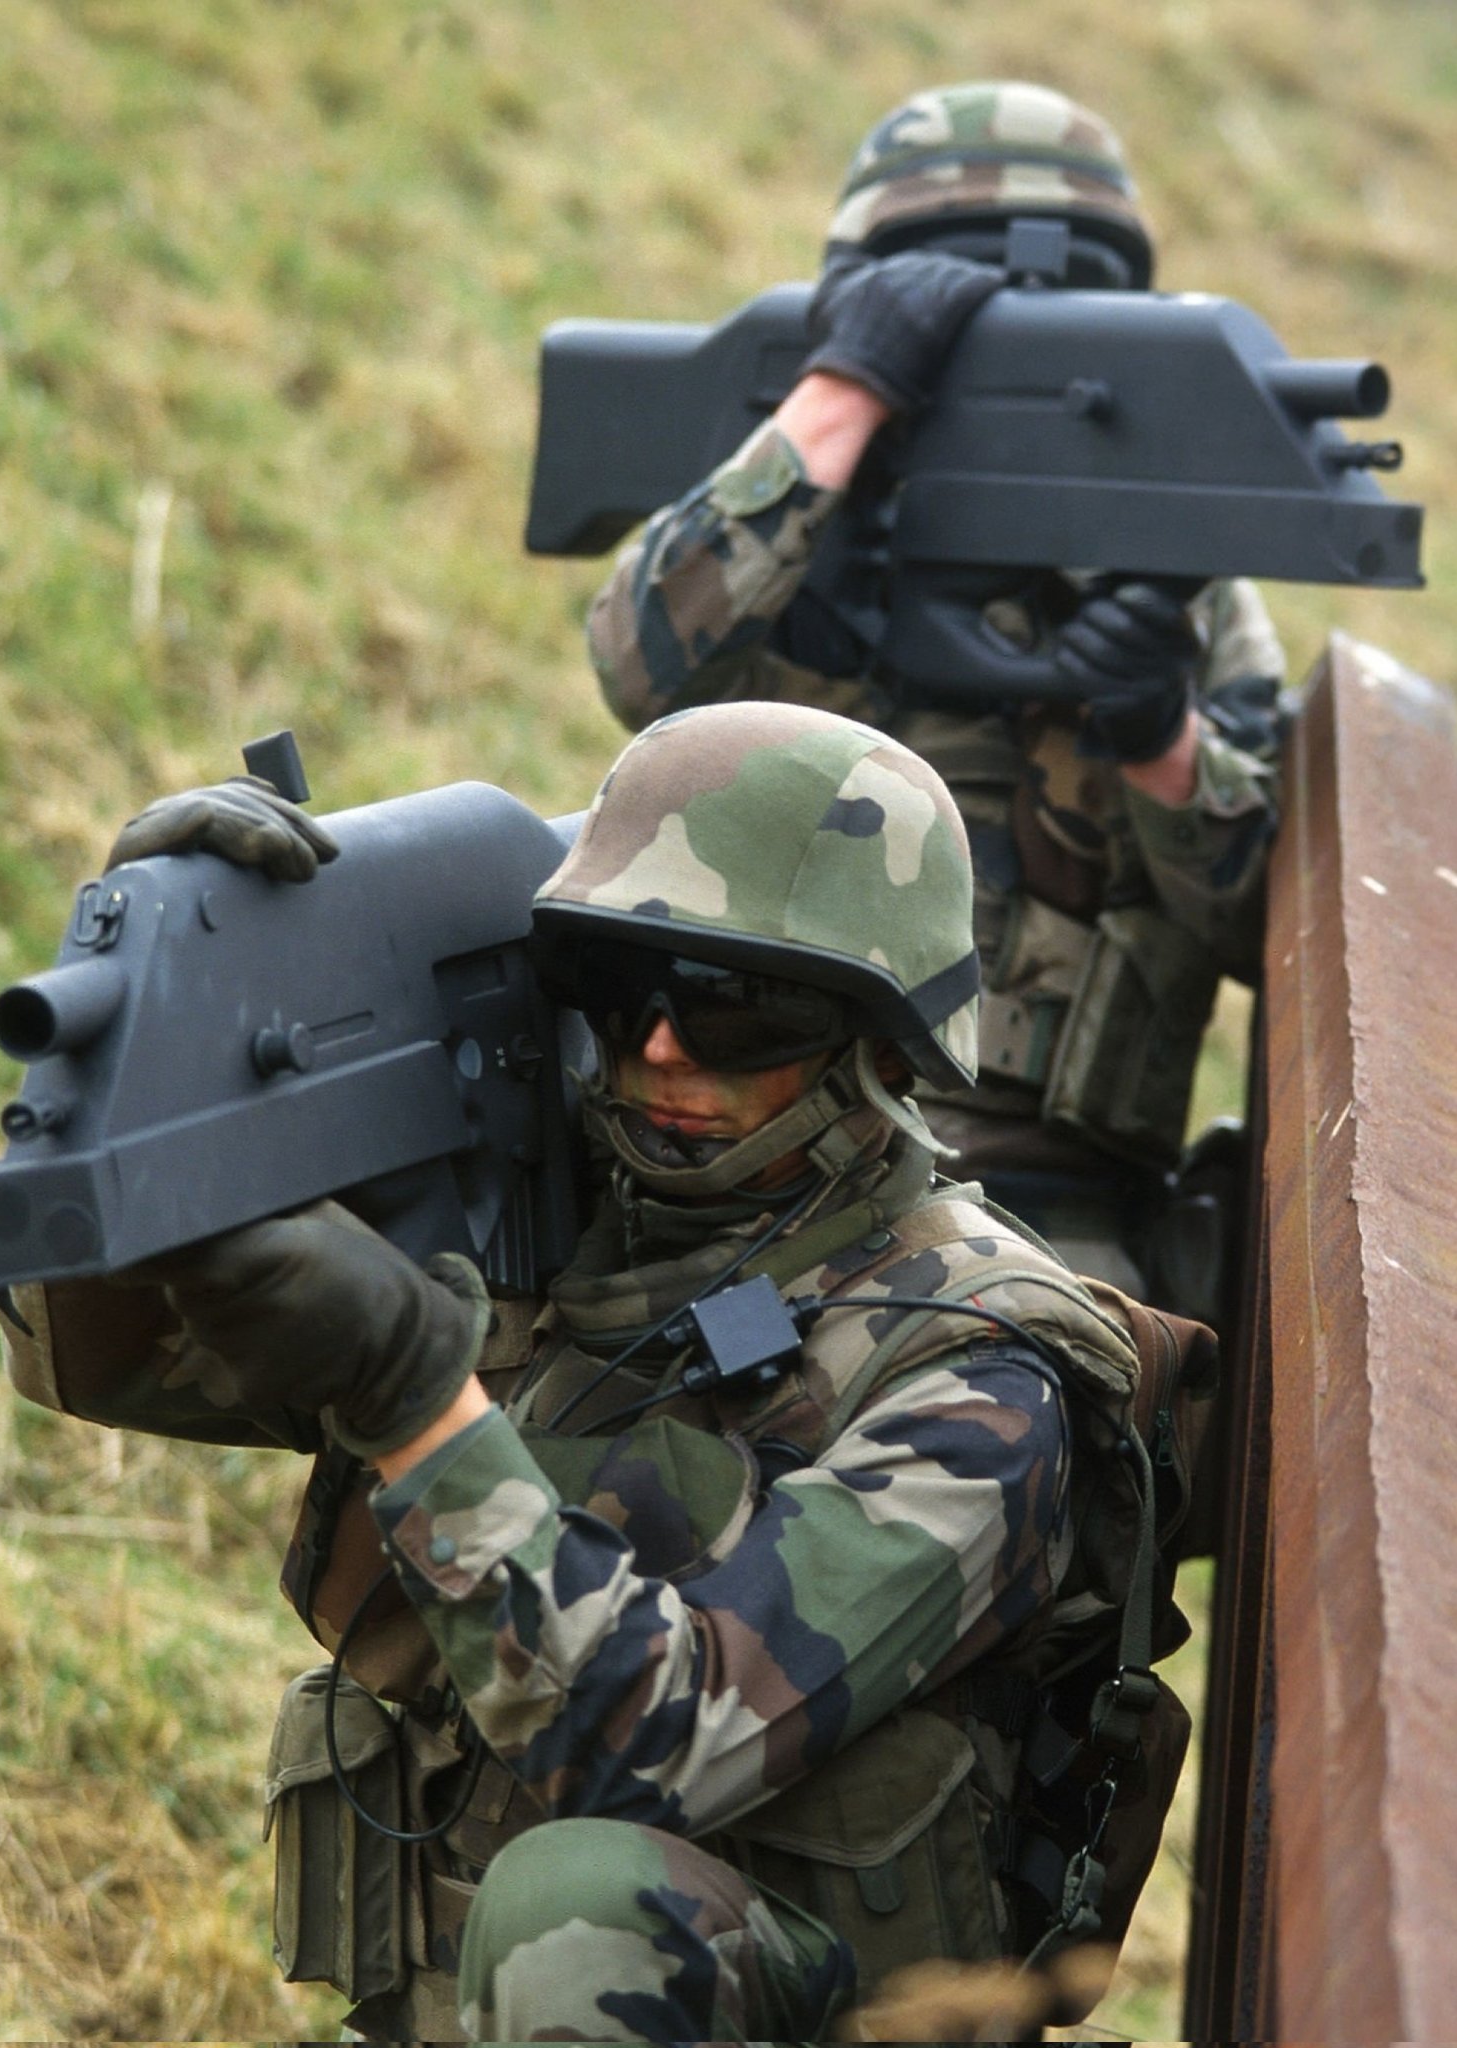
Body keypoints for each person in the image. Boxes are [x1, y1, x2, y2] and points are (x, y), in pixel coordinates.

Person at [0, 703, 1201, 2043]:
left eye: (738, 1011)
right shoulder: (554, 1221)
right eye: (628, 995)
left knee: (583, 1895)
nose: (667, 1053)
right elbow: (107, 1368)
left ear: (882, 1036)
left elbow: (662, 1744)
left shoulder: (979, 1370)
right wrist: (156, 1028)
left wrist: (417, 1397)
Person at [588, 80, 1287, 1312]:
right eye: (950, 316)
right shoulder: (797, 521)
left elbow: (1258, 926)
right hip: (740, 1133)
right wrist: (848, 389)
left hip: (1044, 1200)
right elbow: (635, 660)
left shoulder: (1187, 576)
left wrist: (1161, 737)